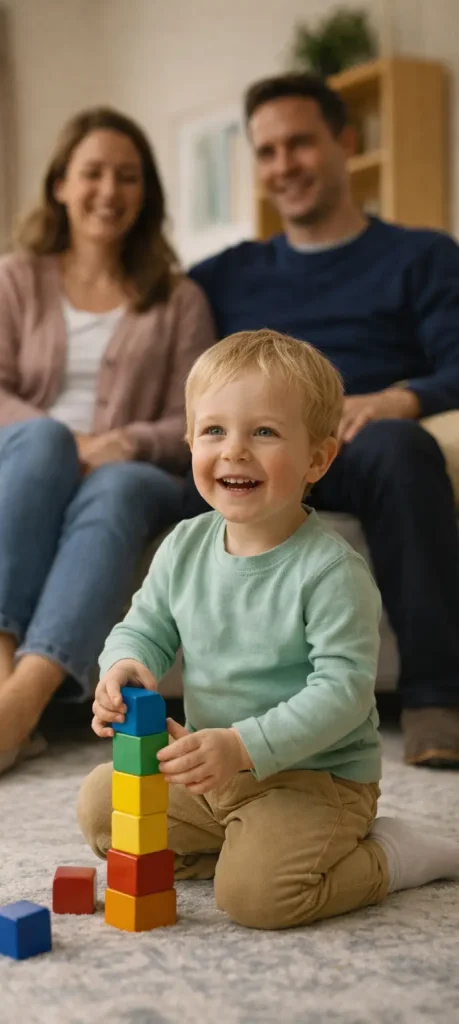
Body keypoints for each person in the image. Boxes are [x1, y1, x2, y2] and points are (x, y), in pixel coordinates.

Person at [77, 330, 459, 931]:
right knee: (103, 807)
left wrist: (243, 746)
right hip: (213, 772)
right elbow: (144, 627)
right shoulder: (184, 544)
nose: (234, 451)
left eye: (264, 432)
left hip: (316, 781)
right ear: (190, 442)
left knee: (257, 900)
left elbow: (343, 693)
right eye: (214, 431)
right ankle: (243, 844)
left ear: (317, 459)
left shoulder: (332, 571)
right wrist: (123, 665)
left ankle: (392, 854)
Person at [0, 107, 215, 784]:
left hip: (123, 472)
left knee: (122, 483)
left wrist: (125, 441)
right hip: (6, 462)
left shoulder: (180, 299)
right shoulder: (10, 279)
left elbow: (193, 417)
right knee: (44, 441)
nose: (109, 190)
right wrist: (71, 442)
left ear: (146, 194)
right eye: (93, 173)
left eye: (127, 177)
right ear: (59, 185)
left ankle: (22, 703)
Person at [186, 73, 459, 769]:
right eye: (268, 152)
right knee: (156, 469)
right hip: (254, 451)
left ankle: (433, 697)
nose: (284, 167)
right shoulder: (222, 275)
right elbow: (136, 297)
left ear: (344, 142)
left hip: (362, 444)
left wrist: (403, 398)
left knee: (403, 449)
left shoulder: (420, 257)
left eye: (300, 144)